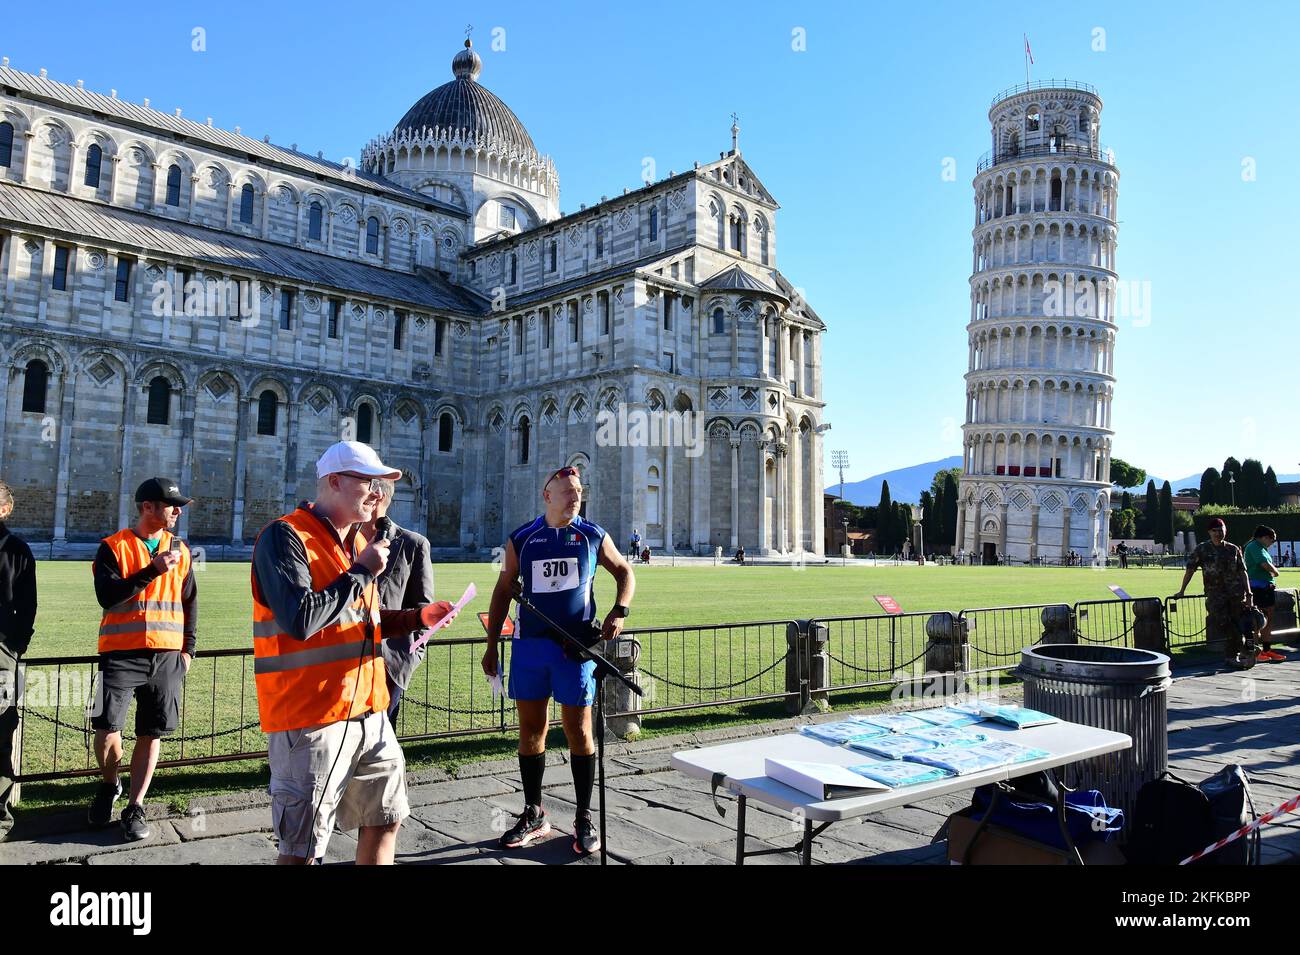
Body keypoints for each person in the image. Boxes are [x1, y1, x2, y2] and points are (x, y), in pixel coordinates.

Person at [251, 441, 457, 864]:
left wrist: (417, 618)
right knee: (303, 850)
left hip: (370, 712)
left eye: (379, 482)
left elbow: (365, 622)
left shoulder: (351, 544)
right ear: (334, 482)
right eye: (367, 481)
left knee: (385, 818)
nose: (375, 491)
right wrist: (361, 571)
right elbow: (301, 618)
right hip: (311, 720)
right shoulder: (284, 536)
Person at [481, 465, 635, 856]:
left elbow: (624, 571)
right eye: (567, 491)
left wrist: (620, 610)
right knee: (531, 729)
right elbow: (502, 592)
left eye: (579, 490)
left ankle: (583, 816)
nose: (575, 497)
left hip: (574, 648)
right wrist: (490, 645)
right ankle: (534, 812)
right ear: (547, 496)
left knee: (579, 731)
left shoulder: (592, 535)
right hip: (531, 646)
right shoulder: (523, 538)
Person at [88, 478, 198, 841]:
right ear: (147, 507)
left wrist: (188, 650)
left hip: (166, 655)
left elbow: (189, 600)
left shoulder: (180, 549)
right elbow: (108, 597)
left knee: (152, 732)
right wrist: (152, 570)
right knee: (105, 730)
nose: (177, 511)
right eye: (171, 505)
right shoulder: (112, 547)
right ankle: (109, 784)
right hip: (120, 654)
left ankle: (135, 806)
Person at [360, 478, 440, 727]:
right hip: (345, 661)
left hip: (390, 663)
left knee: (382, 743)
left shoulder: (413, 543)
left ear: (378, 497)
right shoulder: (344, 541)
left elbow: (423, 608)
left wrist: (407, 661)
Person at [0, 481, 36, 842]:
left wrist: (13, 648)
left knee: (0, 734)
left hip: (1, 653)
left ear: (6, 510)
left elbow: (27, 606)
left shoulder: (18, 551)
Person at [1174, 517, 1256, 669]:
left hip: (1236, 595)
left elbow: (1243, 572)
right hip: (1215, 595)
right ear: (1209, 532)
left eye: (1221, 530)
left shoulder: (1233, 549)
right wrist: (1182, 590)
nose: (1218, 533)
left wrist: (1249, 594)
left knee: (1237, 625)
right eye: (1215, 531)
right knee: (1225, 624)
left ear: (1226, 531)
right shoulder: (1202, 549)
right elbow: (1190, 570)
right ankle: (1241, 650)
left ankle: (1232, 656)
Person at [1244, 525, 1283, 662]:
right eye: (1272, 541)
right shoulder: (1254, 546)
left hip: (1266, 587)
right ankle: (1256, 650)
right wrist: (1276, 572)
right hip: (1258, 587)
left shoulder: (1261, 548)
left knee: (1268, 619)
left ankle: (1267, 649)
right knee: (1258, 620)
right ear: (1265, 537)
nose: (1272, 544)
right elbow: (1264, 564)